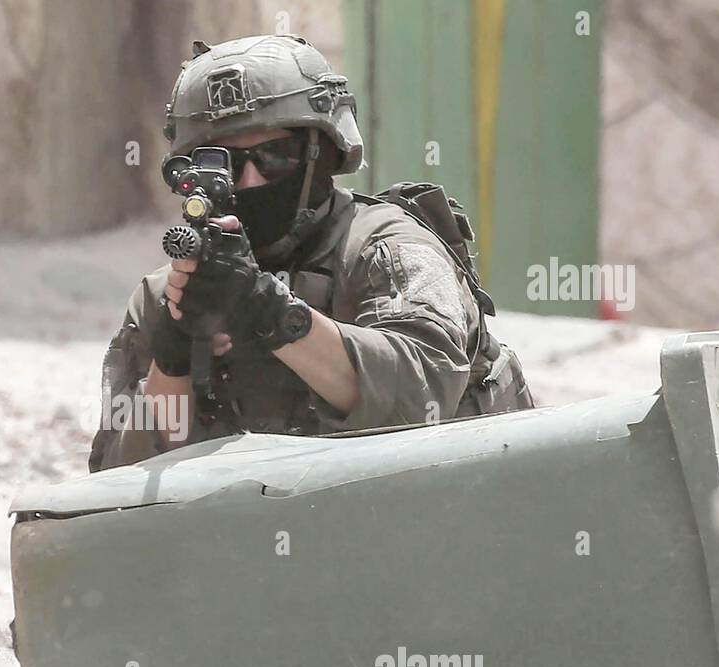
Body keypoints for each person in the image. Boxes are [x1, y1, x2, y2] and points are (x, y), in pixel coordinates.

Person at [90, 34, 534, 472]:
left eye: (274, 156)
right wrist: (174, 360)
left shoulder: (387, 250)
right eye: (224, 162)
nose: (249, 182)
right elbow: (119, 485)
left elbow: (420, 402)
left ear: (320, 154)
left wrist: (268, 309)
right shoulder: (168, 293)